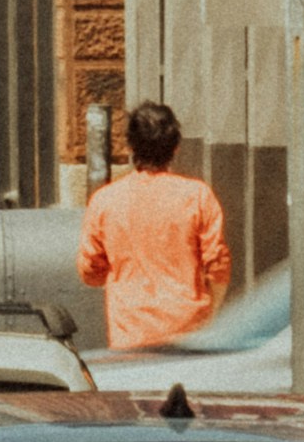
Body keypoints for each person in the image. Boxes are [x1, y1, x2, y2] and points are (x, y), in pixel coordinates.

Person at [80, 99, 232, 350]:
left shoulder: (105, 201)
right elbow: (218, 266)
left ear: (131, 146)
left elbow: (90, 272)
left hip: (130, 331)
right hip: (188, 331)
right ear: (175, 148)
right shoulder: (197, 196)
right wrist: (211, 314)